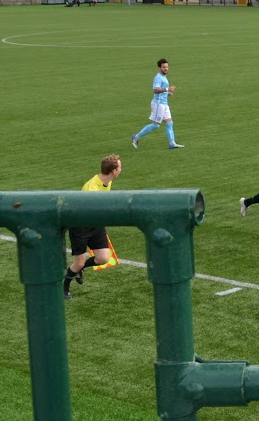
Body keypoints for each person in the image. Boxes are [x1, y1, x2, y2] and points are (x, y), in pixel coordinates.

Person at [62, 155, 121, 298]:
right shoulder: (91, 189)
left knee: (103, 258)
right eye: (119, 167)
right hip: (80, 226)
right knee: (79, 262)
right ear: (113, 171)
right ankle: (64, 287)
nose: (121, 169)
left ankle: (80, 269)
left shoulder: (107, 181)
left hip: (96, 224)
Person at [132, 58, 183, 149]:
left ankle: (172, 143)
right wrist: (167, 89)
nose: (166, 69)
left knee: (169, 123)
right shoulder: (158, 78)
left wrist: (167, 94)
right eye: (163, 67)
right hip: (158, 104)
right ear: (159, 68)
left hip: (164, 103)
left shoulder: (163, 77)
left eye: (167, 67)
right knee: (156, 125)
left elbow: (161, 89)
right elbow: (155, 90)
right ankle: (136, 137)